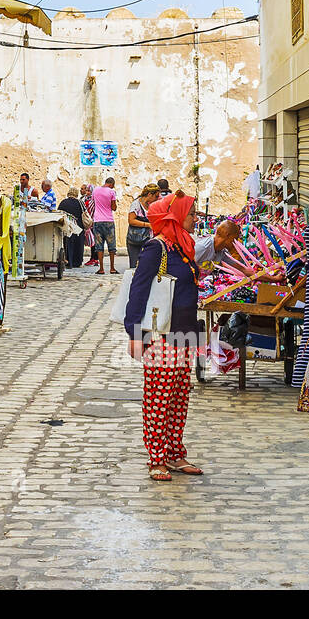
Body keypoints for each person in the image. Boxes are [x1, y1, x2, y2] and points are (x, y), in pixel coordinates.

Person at [124, 192, 203, 482]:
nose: (195, 218)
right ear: (176, 216)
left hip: (185, 331)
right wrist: (134, 332)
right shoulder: (156, 248)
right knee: (159, 398)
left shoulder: (182, 246)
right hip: (161, 334)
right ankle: (156, 457)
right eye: (191, 213)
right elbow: (139, 289)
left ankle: (174, 453)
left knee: (179, 397)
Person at [126, 183, 160, 268]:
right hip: (134, 239)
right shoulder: (136, 204)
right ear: (150, 194)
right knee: (134, 265)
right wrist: (147, 224)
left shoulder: (151, 205)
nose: (157, 199)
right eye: (156, 196)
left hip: (148, 238)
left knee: (147, 264)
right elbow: (131, 220)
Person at [92, 176, 119, 275]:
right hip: (108, 221)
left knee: (99, 246)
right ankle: (112, 268)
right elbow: (114, 207)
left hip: (97, 220)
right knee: (111, 245)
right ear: (111, 184)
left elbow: (94, 202)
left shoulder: (95, 190)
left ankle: (101, 268)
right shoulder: (112, 192)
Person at [58, 187, 86, 268]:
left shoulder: (63, 202)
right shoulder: (80, 202)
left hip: (67, 226)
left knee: (68, 243)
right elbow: (84, 212)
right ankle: (77, 262)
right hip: (78, 226)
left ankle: (68, 262)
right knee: (78, 244)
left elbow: (59, 213)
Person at [82, 183, 98, 267]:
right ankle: (93, 258)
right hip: (87, 222)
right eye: (87, 191)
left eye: (89, 191)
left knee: (94, 241)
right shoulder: (84, 198)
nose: (87, 192)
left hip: (93, 222)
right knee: (91, 241)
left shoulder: (94, 200)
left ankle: (94, 259)